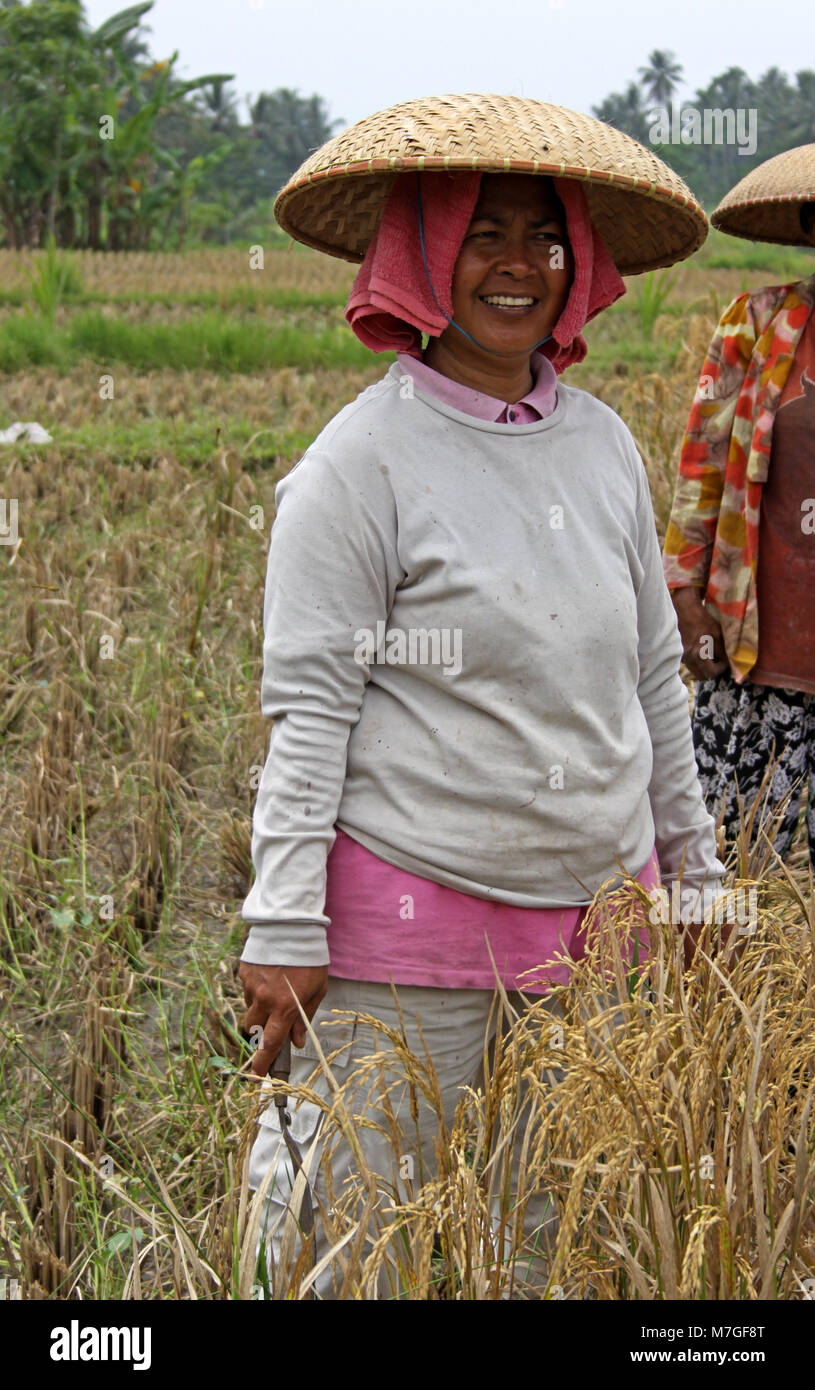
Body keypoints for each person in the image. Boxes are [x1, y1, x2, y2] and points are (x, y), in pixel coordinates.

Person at [237, 93, 725, 1298]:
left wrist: (698, 875)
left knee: (553, 1246)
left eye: (544, 237)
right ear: (420, 256)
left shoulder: (603, 443)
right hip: (409, 937)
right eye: (484, 232)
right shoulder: (359, 465)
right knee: (359, 1249)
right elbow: (310, 711)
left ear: (580, 264)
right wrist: (285, 925)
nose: (519, 265)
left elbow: (651, 673)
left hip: (602, 929)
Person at [663, 143, 815, 869]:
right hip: (763, 663)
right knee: (750, 887)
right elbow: (699, 473)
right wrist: (684, 600)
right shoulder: (756, 326)